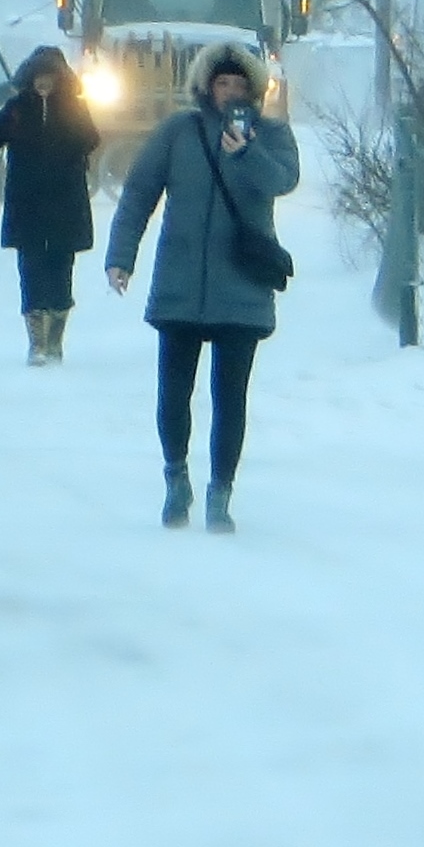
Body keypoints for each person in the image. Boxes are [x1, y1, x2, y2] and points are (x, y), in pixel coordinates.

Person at [104, 42, 298, 531]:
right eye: (222, 83)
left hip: (242, 287)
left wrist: (248, 153)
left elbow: (283, 181)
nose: (230, 92)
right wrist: (120, 258)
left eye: (239, 85)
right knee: (174, 390)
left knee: (230, 396)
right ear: (206, 86)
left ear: (254, 91)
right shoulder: (177, 131)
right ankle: (175, 479)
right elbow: (139, 194)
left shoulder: (270, 135)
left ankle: (220, 494)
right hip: (180, 282)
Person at [0, 46, 102, 364]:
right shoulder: (16, 109)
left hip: (66, 200)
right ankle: (36, 341)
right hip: (27, 202)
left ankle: (55, 339)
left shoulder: (76, 108)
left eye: (49, 77)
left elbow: (91, 139)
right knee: (30, 268)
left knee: (61, 267)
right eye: (38, 77)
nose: (43, 83)